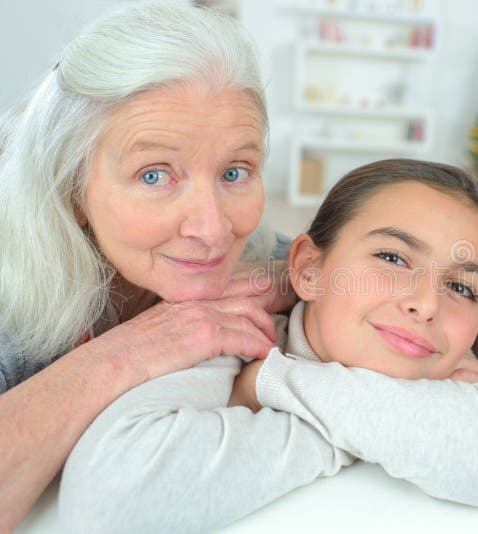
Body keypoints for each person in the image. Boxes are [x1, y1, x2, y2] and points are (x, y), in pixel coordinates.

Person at [59, 159, 478, 532]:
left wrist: (279, 382)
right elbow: (105, 498)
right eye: (393, 257)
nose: (426, 304)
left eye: (462, 288)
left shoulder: (456, 372)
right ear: (310, 269)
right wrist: (369, 433)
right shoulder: (232, 342)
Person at [0, 4, 295, 531]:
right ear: (73, 189)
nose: (212, 229)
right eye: (154, 176)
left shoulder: (268, 257)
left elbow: (385, 280)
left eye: (234, 171)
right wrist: (126, 353)